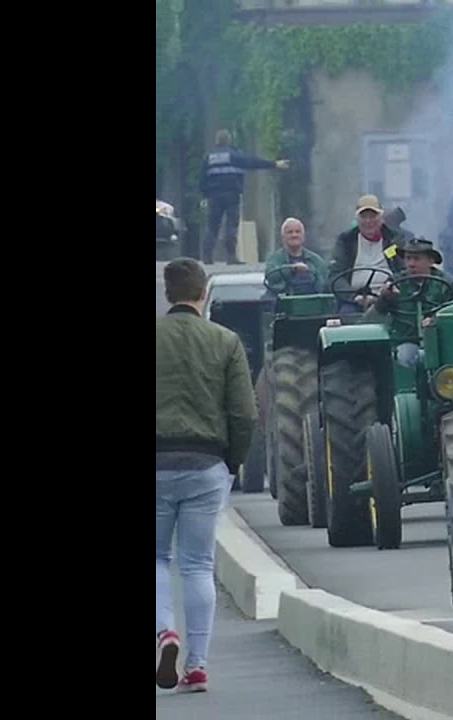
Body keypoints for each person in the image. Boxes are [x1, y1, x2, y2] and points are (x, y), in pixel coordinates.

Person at [156, 258, 257, 693]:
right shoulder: (226, 341)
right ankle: (196, 665)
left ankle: (165, 633)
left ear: (166, 294)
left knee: (157, 558)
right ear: (203, 295)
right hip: (205, 463)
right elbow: (244, 413)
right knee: (198, 564)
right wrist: (232, 461)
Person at [362, 236, 453, 368]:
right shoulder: (395, 282)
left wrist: (435, 320)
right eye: (408, 258)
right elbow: (374, 316)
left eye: (417, 259)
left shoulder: (449, 284)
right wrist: (385, 298)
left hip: (442, 341)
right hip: (407, 340)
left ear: (431, 261)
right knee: (405, 356)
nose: (411, 264)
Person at [199, 129, 290, 265]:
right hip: (232, 195)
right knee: (231, 226)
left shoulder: (208, 157)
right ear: (229, 140)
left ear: (217, 141)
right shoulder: (235, 156)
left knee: (212, 226)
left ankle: (207, 256)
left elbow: (202, 178)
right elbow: (252, 162)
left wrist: (205, 194)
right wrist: (274, 164)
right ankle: (231, 256)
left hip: (214, 196)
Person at [330, 194, 404, 314]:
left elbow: (403, 269)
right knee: (346, 314)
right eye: (363, 217)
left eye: (373, 216)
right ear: (357, 219)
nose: (368, 221)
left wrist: (389, 287)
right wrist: (353, 297)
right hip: (354, 301)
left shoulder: (394, 239)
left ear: (381, 217)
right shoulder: (346, 241)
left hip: (389, 298)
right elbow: (336, 274)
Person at [263, 217, 329, 296]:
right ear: (283, 237)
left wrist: (310, 272)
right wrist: (292, 269)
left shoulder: (316, 260)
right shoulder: (275, 259)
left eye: (298, 232)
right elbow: (271, 277)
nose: (294, 235)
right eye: (290, 232)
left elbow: (325, 285)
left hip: (312, 304)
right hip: (282, 304)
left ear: (303, 236)